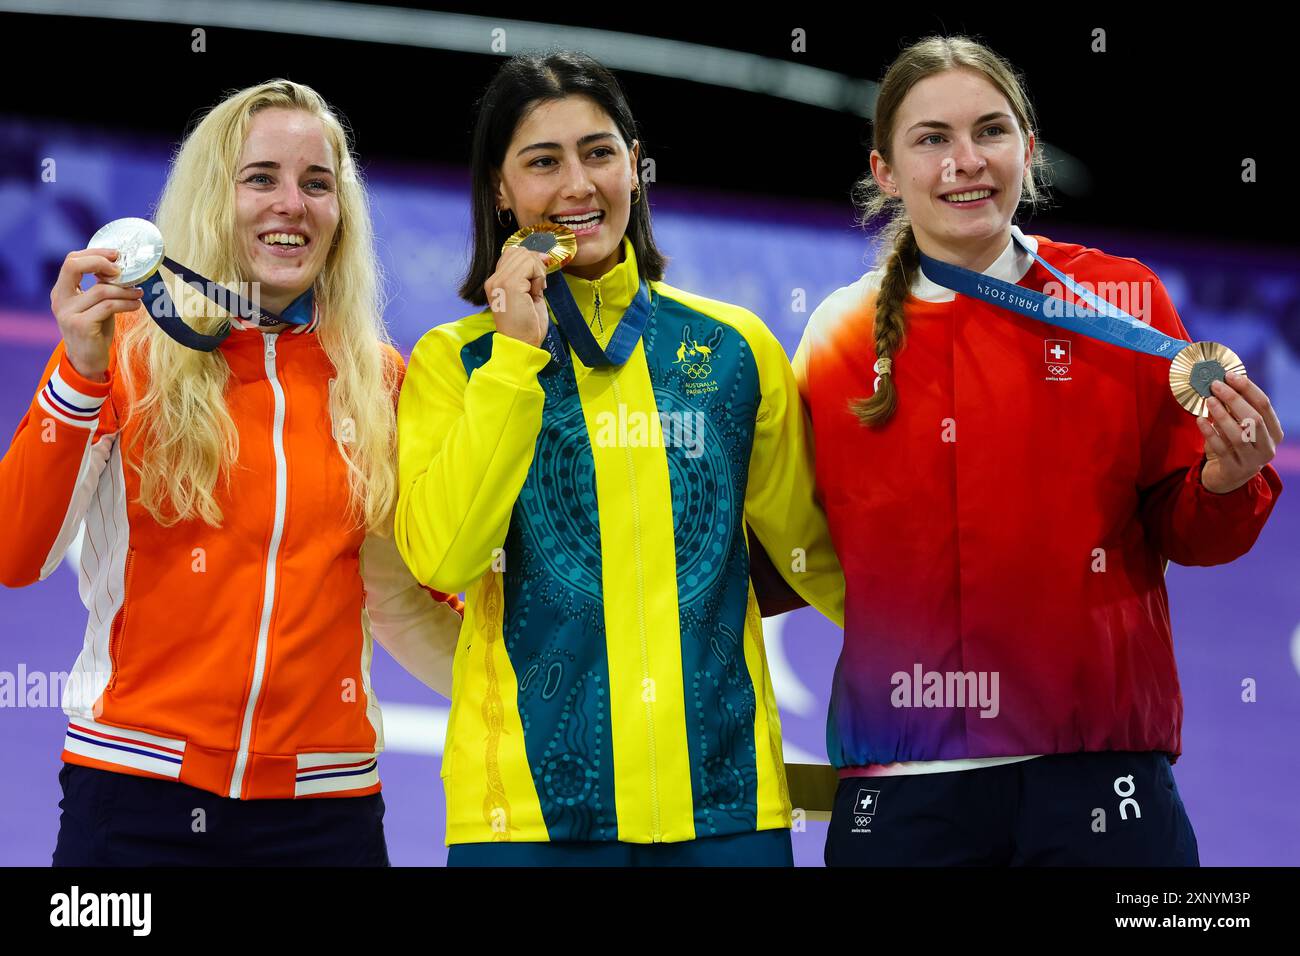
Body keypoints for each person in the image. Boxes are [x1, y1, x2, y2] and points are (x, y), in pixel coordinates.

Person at [794, 37, 1283, 866]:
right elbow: (793, 544)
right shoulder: (837, 334)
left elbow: (1191, 528)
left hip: (1097, 776)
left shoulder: (1121, 302)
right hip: (907, 781)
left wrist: (1227, 481)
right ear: (885, 169)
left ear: (1028, 146)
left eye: (990, 131)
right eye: (932, 138)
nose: (965, 160)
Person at [394, 52, 843, 866]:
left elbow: (814, 556)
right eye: (542, 161)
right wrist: (514, 361)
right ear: (501, 192)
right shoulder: (453, 364)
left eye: (599, 153)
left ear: (635, 169)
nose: (577, 184)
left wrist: (966, 657)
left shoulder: (735, 349)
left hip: (727, 813)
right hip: (524, 822)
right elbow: (447, 554)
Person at [0, 79, 462, 866]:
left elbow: (405, 602)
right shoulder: (124, 353)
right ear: (216, 196)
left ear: (341, 214)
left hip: (329, 814)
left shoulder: (381, 383)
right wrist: (79, 374)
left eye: (317, 184)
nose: (292, 203)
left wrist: (543, 693)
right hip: (135, 799)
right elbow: (16, 555)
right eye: (262, 178)